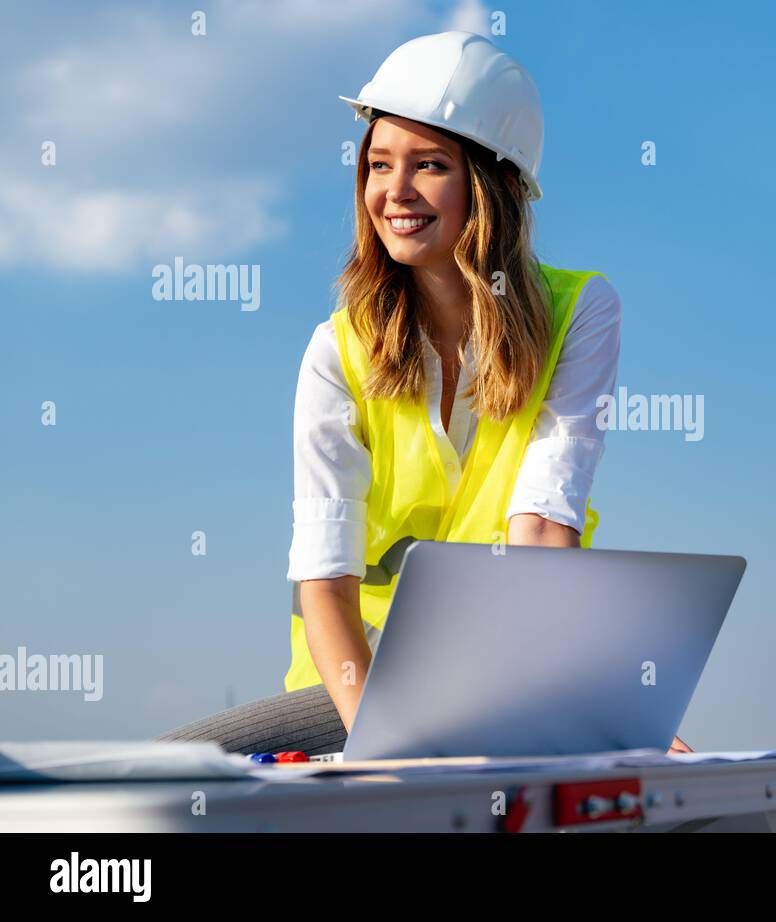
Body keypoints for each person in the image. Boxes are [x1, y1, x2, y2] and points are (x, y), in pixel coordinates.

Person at [156, 31, 692, 756]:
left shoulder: (581, 312)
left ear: (492, 184)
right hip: (352, 681)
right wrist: (386, 748)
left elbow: (543, 528)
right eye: (378, 165)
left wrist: (598, 711)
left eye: (429, 165)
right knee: (162, 773)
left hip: (505, 672)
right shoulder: (335, 352)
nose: (394, 192)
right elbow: (325, 585)